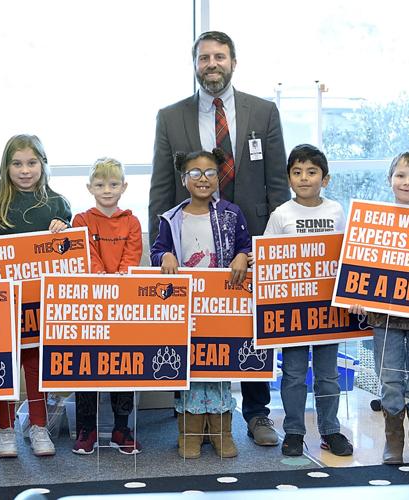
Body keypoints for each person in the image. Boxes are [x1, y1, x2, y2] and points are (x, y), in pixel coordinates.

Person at [149, 31, 289, 446]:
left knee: (251, 329)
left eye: (220, 57)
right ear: (195, 64)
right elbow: (161, 185)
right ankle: (192, 418)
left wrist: (276, 243)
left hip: (248, 240)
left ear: (233, 61)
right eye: (204, 57)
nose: (212, 64)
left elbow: (277, 181)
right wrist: (162, 246)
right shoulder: (170, 116)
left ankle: (258, 414)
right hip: (190, 243)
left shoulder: (263, 112)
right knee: (191, 329)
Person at [0, 134, 71, 458]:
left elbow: (70, 249)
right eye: (17, 163)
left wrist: (64, 227)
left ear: (42, 164)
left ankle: (38, 425)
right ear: (6, 166)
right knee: (3, 365)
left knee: (34, 365)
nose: (25, 170)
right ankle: (5, 428)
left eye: (31, 163)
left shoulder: (57, 203)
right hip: (3, 304)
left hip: (39, 304)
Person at [349, 151, 409, 464]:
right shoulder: (374, 220)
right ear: (390, 179)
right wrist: (357, 294)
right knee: (390, 379)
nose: (407, 182)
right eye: (401, 176)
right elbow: (362, 263)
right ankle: (393, 440)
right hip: (384, 318)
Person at [151, 149, 250, 459]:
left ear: (218, 178)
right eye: (195, 173)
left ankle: (222, 432)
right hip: (187, 309)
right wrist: (164, 256)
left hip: (222, 307)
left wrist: (242, 256)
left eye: (209, 172)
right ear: (184, 179)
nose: (203, 178)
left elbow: (246, 248)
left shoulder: (232, 214)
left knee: (219, 367)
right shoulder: (172, 218)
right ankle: (190, 434)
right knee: (191, 369)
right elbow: (158, 251)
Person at [262, 144, 353, 457]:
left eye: (311, 172)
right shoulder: (281, 215)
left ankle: (330, 430)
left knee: (328, 376)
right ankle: (294, 432)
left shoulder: (336, 211)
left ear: (324, 179)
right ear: (288, 178)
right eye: (297, 172)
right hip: (292, 312)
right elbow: (268, 259)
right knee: (294, 375)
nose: (304, 178)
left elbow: (346, 256)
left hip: (329, 310)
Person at [70, 157, 143, 455]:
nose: (107, 190)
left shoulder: (132, 221)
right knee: (88, 365)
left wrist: (118, 283)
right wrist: (101, 280)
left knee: (122, 364)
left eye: (113, 184)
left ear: (124, 186)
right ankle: (86, 428)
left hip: (122, 303)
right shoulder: (81, 220)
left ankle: (121, 428)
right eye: (100, 184)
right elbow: (86, 253)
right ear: (90, 188)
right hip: (90, 302)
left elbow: (133, 255)